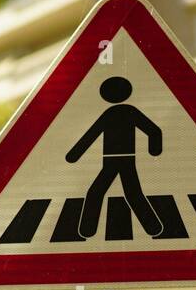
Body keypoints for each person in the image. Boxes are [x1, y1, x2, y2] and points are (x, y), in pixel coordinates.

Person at [65, 76, 164, 238]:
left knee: (98, 192)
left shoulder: (113, 113)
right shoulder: (127, 111)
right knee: (130, 194)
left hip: (116, 160)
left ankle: (88, 230)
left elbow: (90, 136)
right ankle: (153, 228)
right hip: (119, 160)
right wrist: (153, 150)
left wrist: (74, 155)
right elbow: (154, 131)